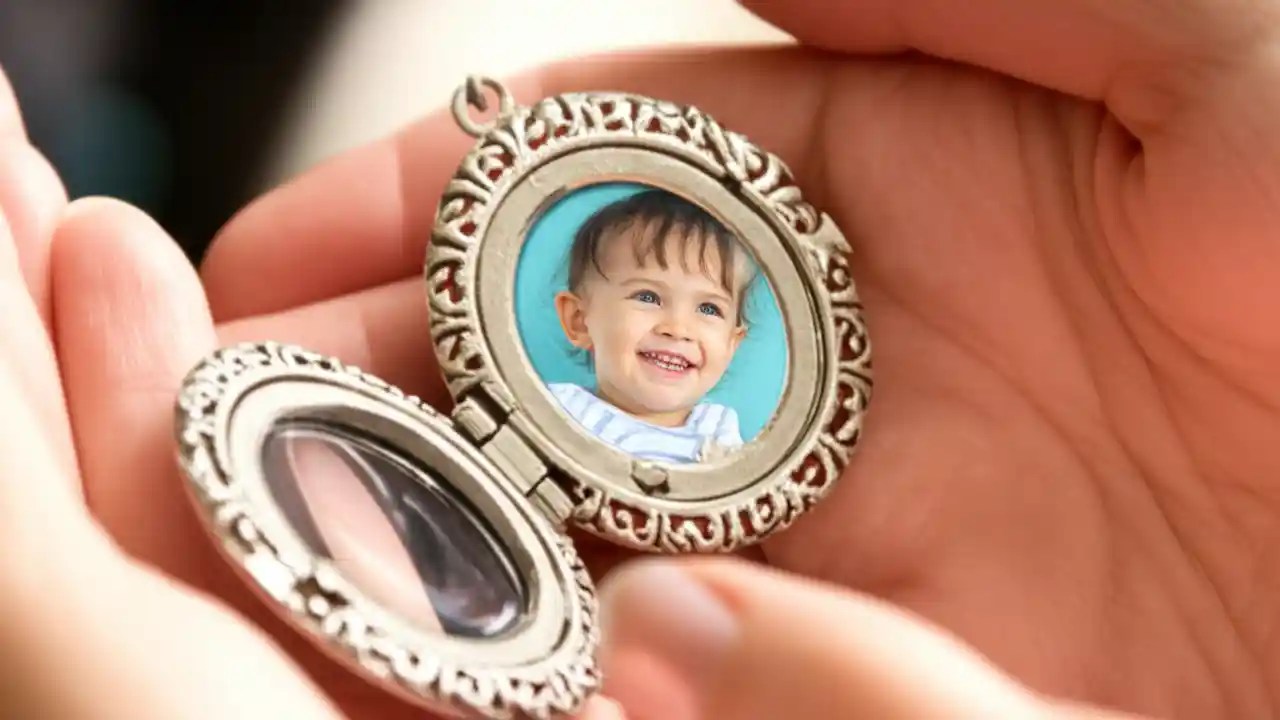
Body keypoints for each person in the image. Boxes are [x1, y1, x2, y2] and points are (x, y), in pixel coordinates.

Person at [0, 1, 1276, 718]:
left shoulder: (724, 448)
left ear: (739, 346)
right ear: (565, 321)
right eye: (643, 294)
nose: (680, 329)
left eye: (713, 316)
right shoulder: (561, 410)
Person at [549, 189, 749, 464]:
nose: (678, 329)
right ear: (579, 320)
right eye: (648, 297)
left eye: (708, 308)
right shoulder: (560, 409)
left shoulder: (718, 434)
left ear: (732, 345)